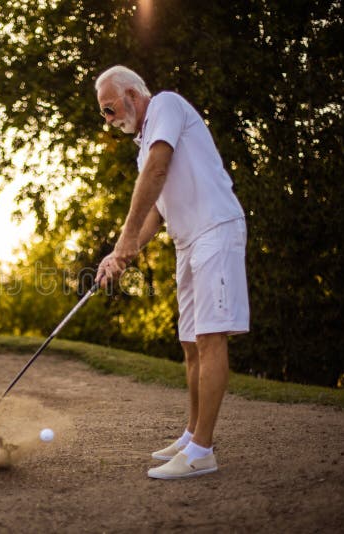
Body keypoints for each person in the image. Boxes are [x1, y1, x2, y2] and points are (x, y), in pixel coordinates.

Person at [94, 65, 249, 479]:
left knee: (210, 337)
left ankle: (202, 451)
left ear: (131, 93)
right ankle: (191, 434)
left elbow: (158, 171)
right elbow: (154, 217)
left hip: (215, 230)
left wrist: (125, 240)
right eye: (104, 114)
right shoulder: (143, 145)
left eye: (109, 109)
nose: (108, 120)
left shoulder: (165, 105)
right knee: (190, 344)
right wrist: (119, 253)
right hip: (187, 242)